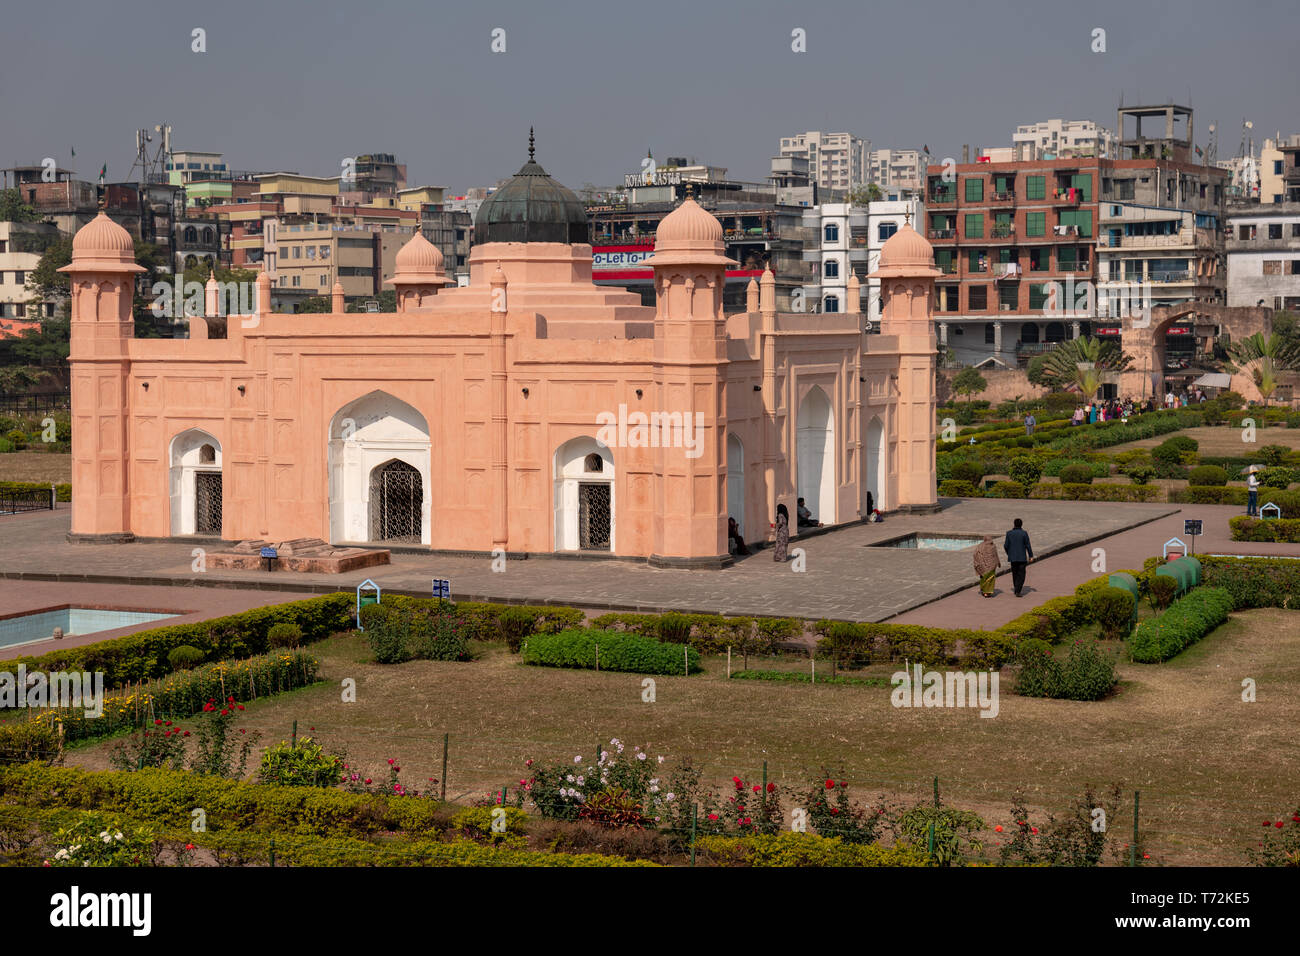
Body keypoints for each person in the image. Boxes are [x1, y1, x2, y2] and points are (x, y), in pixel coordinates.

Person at [1003, 517, 1034, 598]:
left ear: (1014, 524)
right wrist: (1031, 556)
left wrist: (1009, 553)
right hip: (1022, 557)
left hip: (1013, 557)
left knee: (1015, 573)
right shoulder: (1024, 533)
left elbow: (1006, 546)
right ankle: (1018, 590)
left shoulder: (1009, 533)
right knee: (1022, 574)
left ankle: (1016, 588)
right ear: (1021, 524)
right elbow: (1028, 545)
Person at [973, 534, 1000, 598]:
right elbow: (996, 555)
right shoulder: (993, 546)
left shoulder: (980, 546)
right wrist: (998, 562)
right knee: (990, 579)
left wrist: (977, 563)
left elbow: (975, 554)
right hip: (992, 566)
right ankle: (988, 592)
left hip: (982, 566)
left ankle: (984, 591)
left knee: (983, 578)